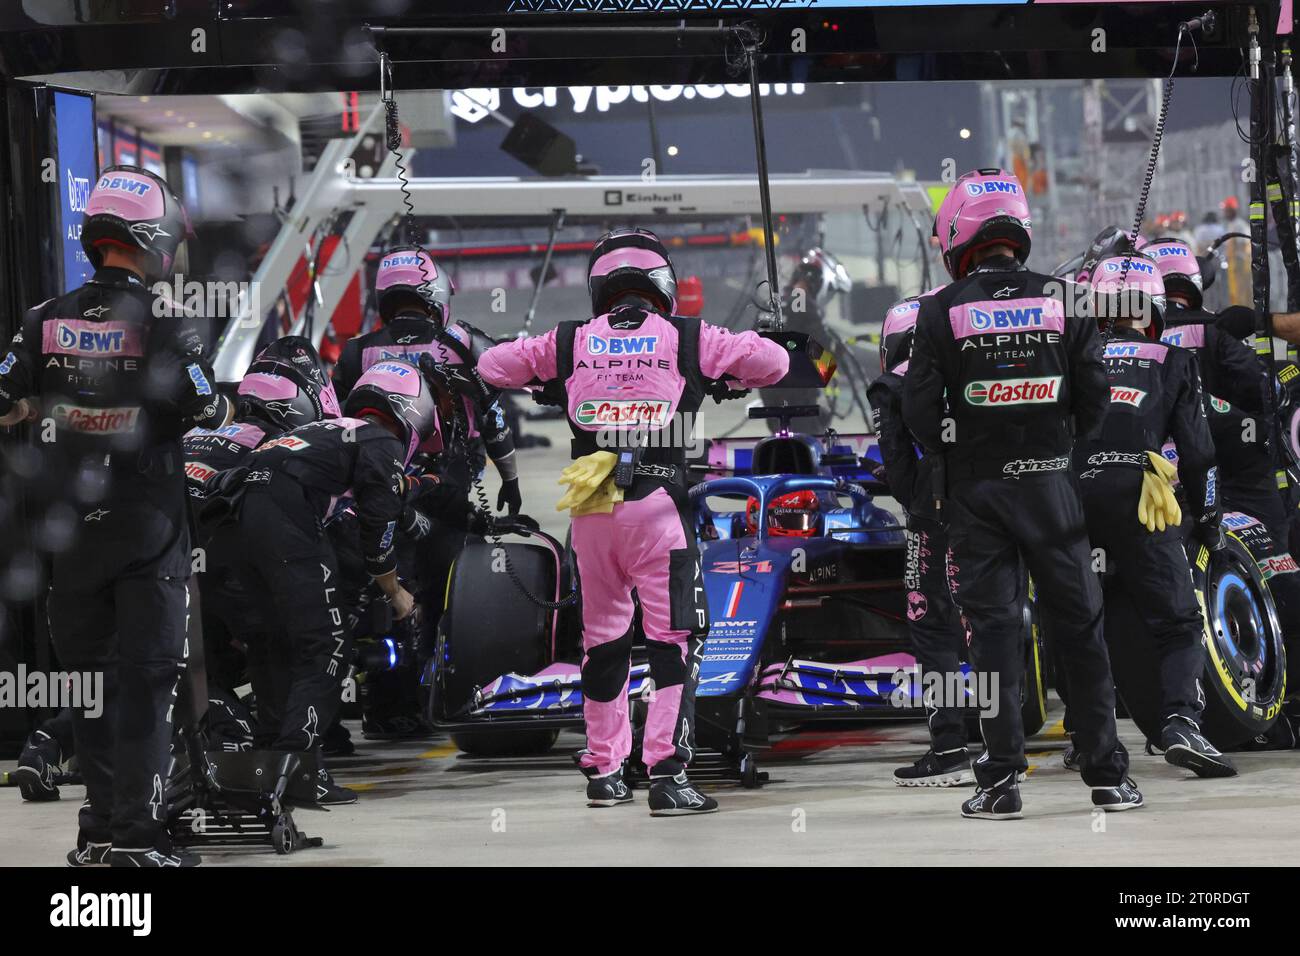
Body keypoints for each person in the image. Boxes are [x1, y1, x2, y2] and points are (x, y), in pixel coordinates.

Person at [478, 227, 789, 815]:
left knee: (603, 643)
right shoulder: (688, 336)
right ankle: (668, 776)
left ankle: (604, 772)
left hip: (591, 508)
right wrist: (723, 372)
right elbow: (773, 363)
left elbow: (493, 366)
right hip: (659, 510)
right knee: (673, 643)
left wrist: (554, 377)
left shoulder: (570, 340)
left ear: (601, 286)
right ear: (663, 284)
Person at [0, 165, 232, 866]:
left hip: (69, 535)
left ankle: (99, 831)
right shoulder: (165, 324)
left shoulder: (42, 322)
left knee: (88, 684)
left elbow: (6, 399)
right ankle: (138, 837)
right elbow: (207, 407)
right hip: (146, 530)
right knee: (147, 684)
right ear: (152, 237)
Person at [903, 168, 1139, 820]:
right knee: (1081, 629)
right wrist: (1056, 450)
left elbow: (919, 413)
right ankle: (1108, 778)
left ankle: (1001, 780)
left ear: (958, 235)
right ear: (1017, 229)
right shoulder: (1066, 298)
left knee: (992, 641)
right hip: (1052, 489)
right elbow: (1097, 398)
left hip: (977, 496)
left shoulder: (938, 310)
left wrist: (965, 450)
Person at [207, 359, 437, 798]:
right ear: (411, 411)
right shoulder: (381, 440)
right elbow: (378, 523)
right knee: (328, 645)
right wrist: (396, 592)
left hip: (237, 520)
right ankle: (299, 767)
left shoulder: (324, 432)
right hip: (282, 518)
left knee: (272, 641)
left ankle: (268, 763)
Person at [333, 247, 523, 737]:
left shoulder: (356, 351)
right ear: (437, 294)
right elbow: (494, 413)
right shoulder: (465, 343)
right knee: (452, 592)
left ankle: (388, 706)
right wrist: (511, 479)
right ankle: (452, 694)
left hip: (374, 482)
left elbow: (335, 424)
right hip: (448, 486)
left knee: (387, 590)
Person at [1079, 253, 1235, 776]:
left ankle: (1086, 738)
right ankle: (1181, 723)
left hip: (1069, 499)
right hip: (1141, 498)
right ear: (1154, 309)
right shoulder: (1172, 358)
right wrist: (1209, 518)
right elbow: (1200, 453)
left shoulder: (1072, 357)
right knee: (1178, 621)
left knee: (1078, 624)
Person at [867, 292, 975, 787]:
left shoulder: (890, 386)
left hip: (932, 522)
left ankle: (951, 745)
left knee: (931, 626)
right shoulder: (969, 369)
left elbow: (898, 465)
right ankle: (1006, 743)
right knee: (991, 621)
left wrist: (910, 497)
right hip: (994, 513)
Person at [759, 247, 850, 433]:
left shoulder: (773, 304)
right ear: (820, 280)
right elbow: (825, 364)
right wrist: (838, 353)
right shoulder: (806, 306)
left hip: (771, 403)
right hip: (799, 406)